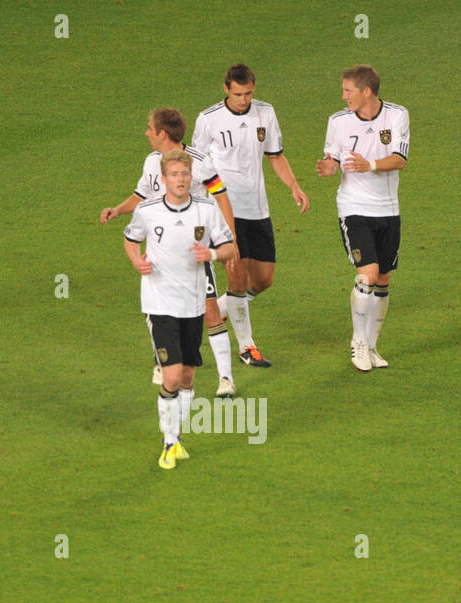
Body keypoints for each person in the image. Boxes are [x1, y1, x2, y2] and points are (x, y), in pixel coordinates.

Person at [101, 109, 240, 397]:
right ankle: (163, 361)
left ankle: (226, 378)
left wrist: (229, 240)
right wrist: (118, 209)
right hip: (162, 248)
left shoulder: (199, 163)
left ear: (162, 133)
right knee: (162, 308)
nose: (146, 133)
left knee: (210, 310)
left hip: (195, 249)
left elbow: (221, 195)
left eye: (149, 128)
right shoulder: (153, 162)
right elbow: (142, 196)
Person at [193, 63, 310, 368]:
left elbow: (276, 156)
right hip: (224, 209)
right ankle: (247, 348)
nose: (243, 99)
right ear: (226, 89)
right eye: (238, 94)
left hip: (258, 208)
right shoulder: (208, 119)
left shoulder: (265, 113)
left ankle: (209, 311)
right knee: (237, 274)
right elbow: (196, 166)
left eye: (248, 93)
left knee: (263, 279)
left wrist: (294, 186)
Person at [124, 150, 235, 469]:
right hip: (159, 301)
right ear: (164, 180)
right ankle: (168, 441)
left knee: (187, 376)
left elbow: (228, 246)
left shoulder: (206, 210)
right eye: (174, 175)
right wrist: (137, 261)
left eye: (185, 174)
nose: (181, 179)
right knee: (172, 374)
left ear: (191, 177)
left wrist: (212, 255)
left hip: (192, 301)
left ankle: (177, 437)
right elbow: (131, 239)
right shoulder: (147, 211)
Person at [316, 65, 408, 372]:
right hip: (354, 207)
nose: (343, 97)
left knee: (383, 279)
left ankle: (371, 345)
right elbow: (333, 159)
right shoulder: (338, 121)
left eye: (348, 91)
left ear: (366, 91)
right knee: (367, 275)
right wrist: (329, 168)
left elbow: (399, 159)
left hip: (388, 209)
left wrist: (368, 164)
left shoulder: (396, 116)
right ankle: (358, 342)